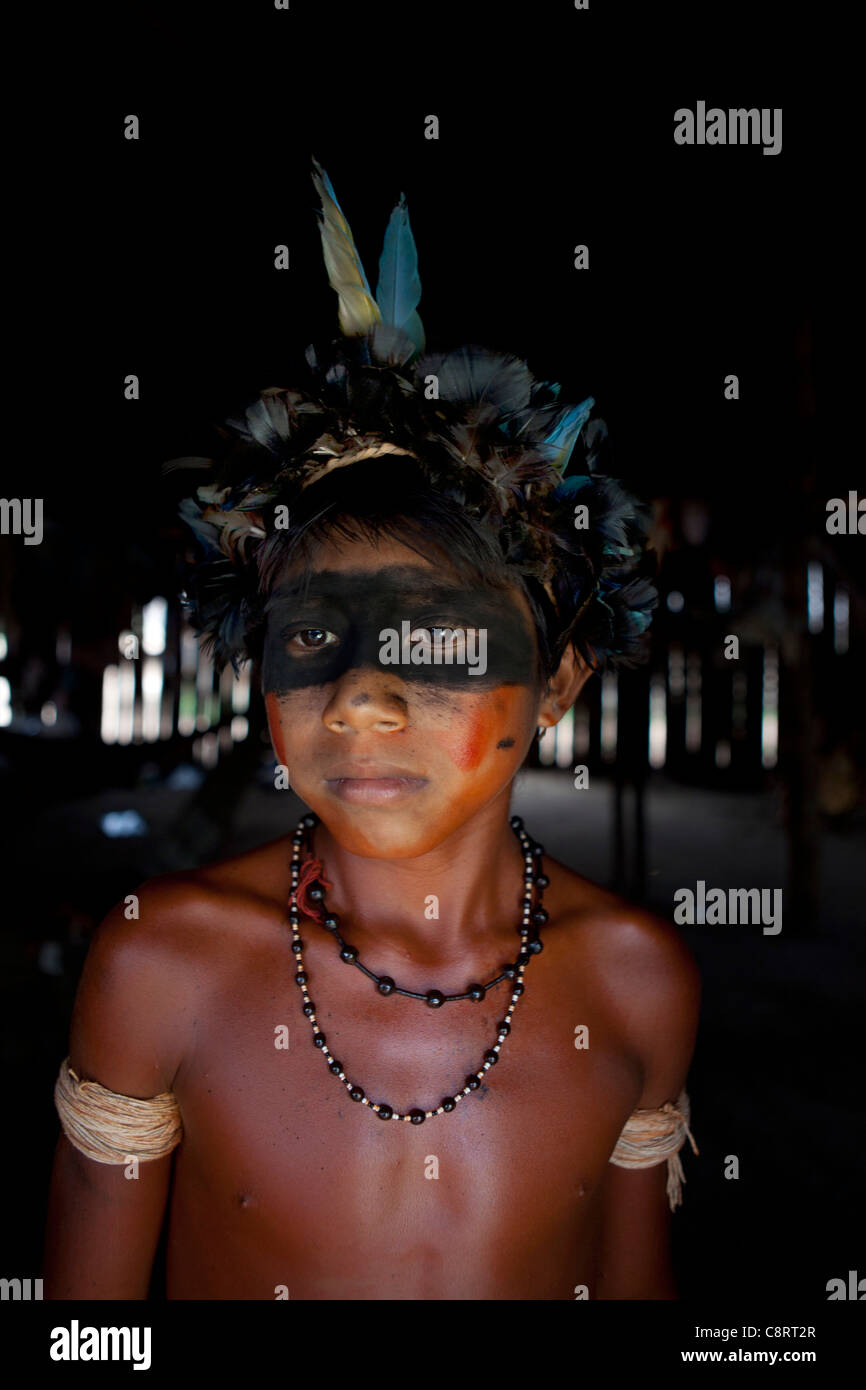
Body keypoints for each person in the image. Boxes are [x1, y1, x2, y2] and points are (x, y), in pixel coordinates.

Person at [43, 161, 700, 1300]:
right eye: (309, 641)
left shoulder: (637, 985)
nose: (358, 697)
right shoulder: (159, 966)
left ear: (558, 683)